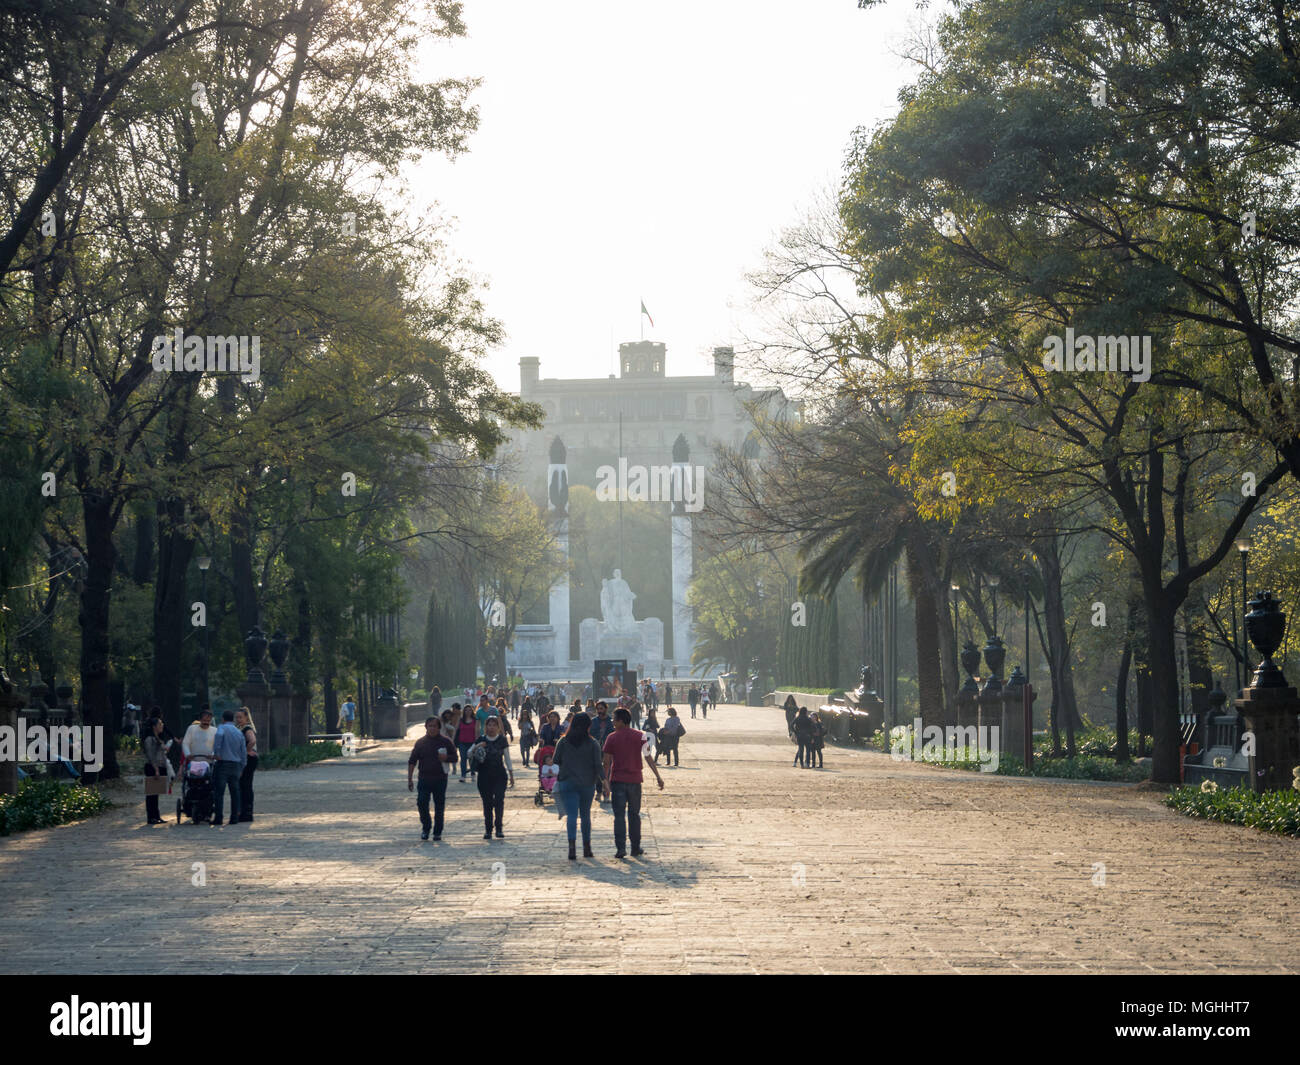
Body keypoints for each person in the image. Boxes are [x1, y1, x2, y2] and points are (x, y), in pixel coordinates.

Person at [602, 707, 664, 859]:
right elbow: (648, 757)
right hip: (635, 781)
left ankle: (621, 848)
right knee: (634, 815)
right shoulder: (640, 736)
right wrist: (658, 776)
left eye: (614, 719)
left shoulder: (612, 737)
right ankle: (635, 847)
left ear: (621, 721)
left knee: (619, 816)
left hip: (617, 781)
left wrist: (605, 782)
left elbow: (606, 762)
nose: (613, 722)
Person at [552, 711, 603, 860]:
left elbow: (555, 760)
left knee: (572, 815)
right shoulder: (593, 743)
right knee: (586, 815)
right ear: (588, 726)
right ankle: (587, 848)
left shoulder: (563, 742)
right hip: (587, 783)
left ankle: (572, 848)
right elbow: (598, 765)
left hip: (567, 782)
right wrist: (605, 781)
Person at [407, 716, 457, 840]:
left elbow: (455, 757)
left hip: (440, 778)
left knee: (439, 806)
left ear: (439, 727)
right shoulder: (420, 743)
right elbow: (412, 761)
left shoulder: (446, 741)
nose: (432, 728)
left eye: (435, 726)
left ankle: (437, 831)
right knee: (422, 803)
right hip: (424, 778)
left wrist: (446, 758)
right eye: (430, 726)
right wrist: (409, 779)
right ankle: (426, 826)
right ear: (426, 727)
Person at [470, 715, 514, 839]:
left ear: (498, 727)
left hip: (499, 774)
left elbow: (507, 758)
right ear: (486, 726)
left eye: (494, 725)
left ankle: (499, 828)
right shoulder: (481, 739)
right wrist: (478, 746)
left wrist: (511, 775)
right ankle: (488, 829)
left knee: (499, 801)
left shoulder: (502, 740)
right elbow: (469, 753)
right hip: (484, 775)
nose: (492, 727)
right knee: (487, 803)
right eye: (489, 725)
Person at [211, 709, 247, 826]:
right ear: (233, 719)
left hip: (223, 764)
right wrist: (242, 766)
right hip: (236, 765)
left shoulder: (221, 728)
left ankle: (219, 817)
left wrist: (217, 752)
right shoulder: (238, 732)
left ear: (223, 719)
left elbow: (219, 737)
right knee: (235, 792)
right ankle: (234, 818)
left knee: (219, 792)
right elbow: (243, 752)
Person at [142, 716, 170, 825]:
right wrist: (156, 769)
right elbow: (150, 755)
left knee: (156, 793)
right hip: (153, 767)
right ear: (154, 726)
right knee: (151, 794)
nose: (161, 726)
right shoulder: (149, 739)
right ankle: (151, 817)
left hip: (160, 766)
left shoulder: (158, 738)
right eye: (159, 724)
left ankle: (156, 815)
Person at [234, 706, 258, 823]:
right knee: (243, 785)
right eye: (237, 717)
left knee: (245, 784)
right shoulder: (240, 728)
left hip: (248, 759)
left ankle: (247, 812)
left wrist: (246, 750)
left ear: (246, 718)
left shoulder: (247, 729)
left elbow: (252, 740)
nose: (238, 719)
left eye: (240, 717)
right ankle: (244, 811)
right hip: (245, 758)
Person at [455, 703, 478, 782]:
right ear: (464, 711)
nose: (468, 712)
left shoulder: (475, 720)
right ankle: (463, 775)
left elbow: (476, 731)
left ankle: (473, 774)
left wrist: (477, 742)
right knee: (463, 759)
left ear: (472, 711)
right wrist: (452, 739)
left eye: (469, 710)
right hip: (462, 742)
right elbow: (456, 730)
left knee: (471, 759)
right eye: (466, 710)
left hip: (472, 742)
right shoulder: (460, 720)